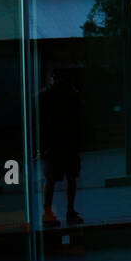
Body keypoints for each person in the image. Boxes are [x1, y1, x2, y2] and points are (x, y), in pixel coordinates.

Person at [38, 69, 83, 226]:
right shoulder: (73, 94)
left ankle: (48, 212)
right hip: (68, 143)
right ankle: (68, 211)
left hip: (54, 144)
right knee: (70, 177)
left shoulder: (46, 96)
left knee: (51, 178)